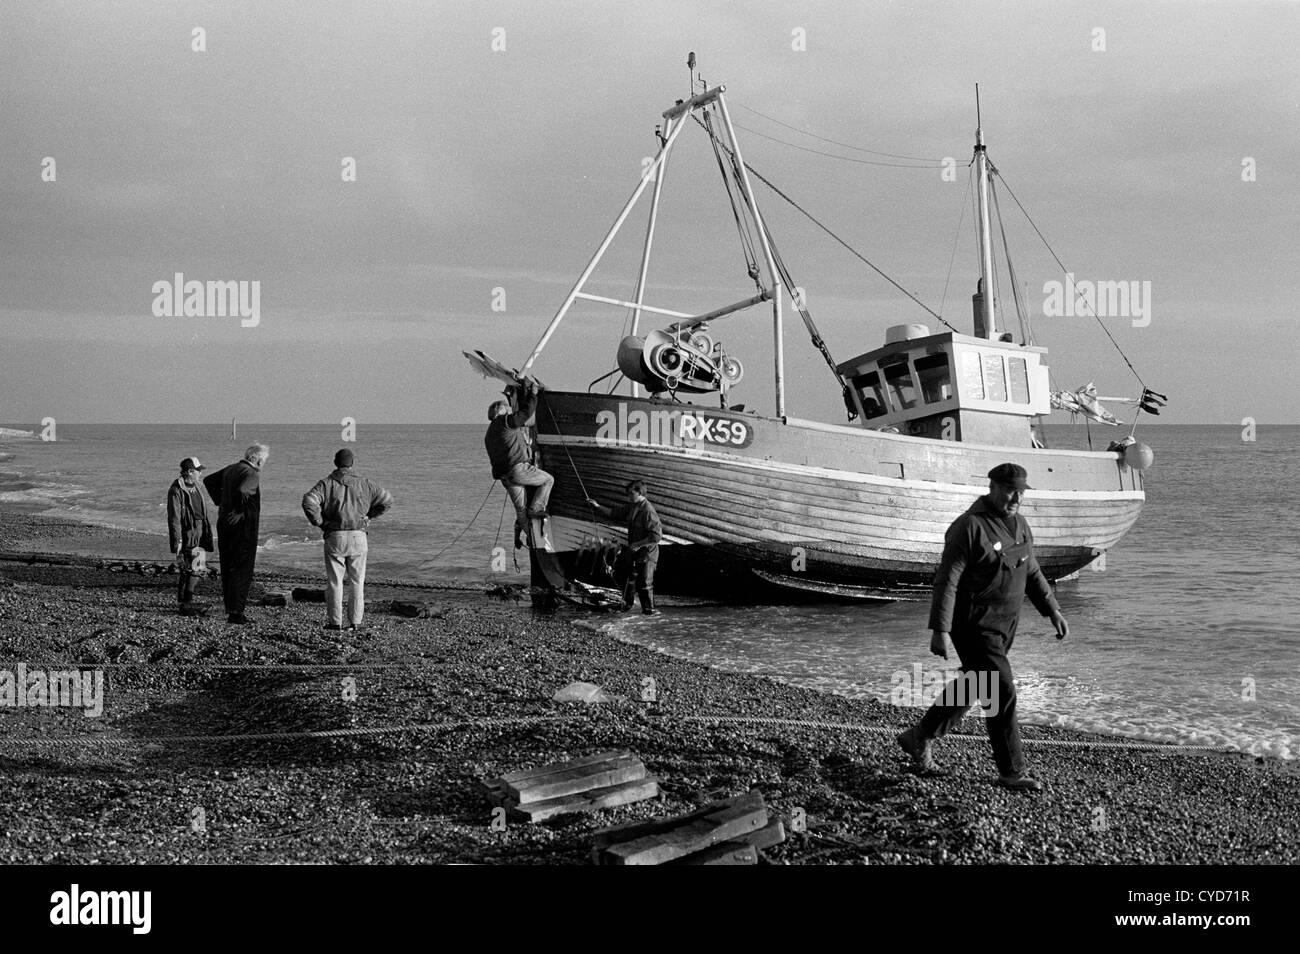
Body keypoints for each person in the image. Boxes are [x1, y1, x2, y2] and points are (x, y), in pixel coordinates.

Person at [896, 462, 1069, 792]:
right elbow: (947, 580)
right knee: (1001, 689)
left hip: (1005, 626)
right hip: (973, 625)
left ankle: (919, 737)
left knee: (976, 684)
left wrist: (1053, 610)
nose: (1015, 497)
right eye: (1008, 490)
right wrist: (940, 629)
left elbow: (1030, 570)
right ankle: (1012, 770)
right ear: (991, 488)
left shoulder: (1019, 525)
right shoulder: (968, 527)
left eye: (1020, 491)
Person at [301, 448, 393, 632]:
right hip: (359, 535)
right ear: (352, 464)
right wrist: (370, 516)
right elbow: (387, 500)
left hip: (335, 535)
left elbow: (309, 502)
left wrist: (320, 522)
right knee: (357, 581)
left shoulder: (326, 484)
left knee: (335, 582)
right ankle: (355, 622)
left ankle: (335, 622)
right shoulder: (366, 484)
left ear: (335, 463)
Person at [204, 443, 269, 625]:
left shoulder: (232, 468)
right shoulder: (252, 473)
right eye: (263, 460)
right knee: (242, 567)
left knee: (228, 565)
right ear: (257, 459)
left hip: (224, 522)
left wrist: (220, 500)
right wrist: (240, 510)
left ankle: (230, 607)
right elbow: (243, 490)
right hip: (243, 526)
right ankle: (236, 612)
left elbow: (209, 480)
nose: (264, 464)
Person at [485, 377, 553, 549]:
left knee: (520, 511)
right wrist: (533, 395)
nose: (510, 411)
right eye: (507, 409)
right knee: (548, 480)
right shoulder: (505, 422)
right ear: (500, 412)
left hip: (505, 477)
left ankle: (533, 539)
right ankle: (536, 509)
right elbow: (524, 415)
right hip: (518, 470)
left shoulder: (489, 433)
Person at [586, 479, 662, 615]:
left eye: (630, 493)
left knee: (645, 584)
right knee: (629, 580)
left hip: (647, 553)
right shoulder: (632, 506)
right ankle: (626, 607)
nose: (628, 496)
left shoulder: (648, 511)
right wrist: (597, 506)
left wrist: (638, 545)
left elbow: (656, 536)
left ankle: (650, 612)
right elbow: (614, 513)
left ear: (640, 492)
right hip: (634, 552)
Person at [166, 456, 214, 615]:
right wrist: (177, 541)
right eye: (198, 470)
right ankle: (186, 602)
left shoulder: (196, 486)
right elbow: (174, 518)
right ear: (190, 471)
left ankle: (185, 601)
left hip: (200, 529)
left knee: (196, 566)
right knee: (191, 567)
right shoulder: (176, 490)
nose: (200, 473)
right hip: (188, 533)